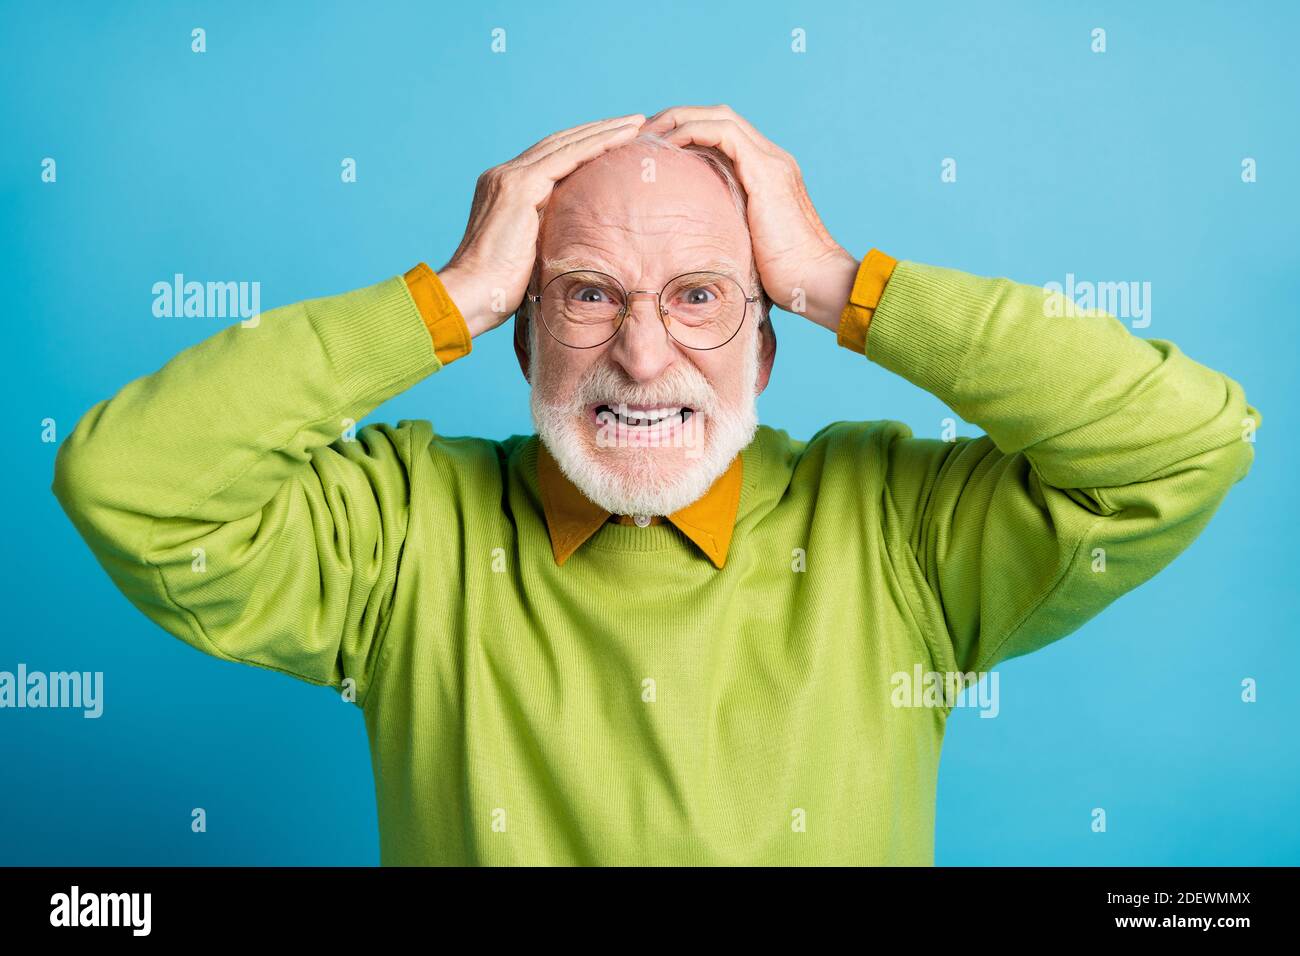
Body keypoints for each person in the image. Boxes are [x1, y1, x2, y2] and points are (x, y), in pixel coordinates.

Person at [52, 106, 1260, 865]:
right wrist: (450, 296)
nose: (641, 355)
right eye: (586, 295)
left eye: (700, 296)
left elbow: (1180, 442)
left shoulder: (897, 528)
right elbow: (129, 482)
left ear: (767, 343)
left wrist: (844, 282)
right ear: (521, 341)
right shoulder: (401, 531)